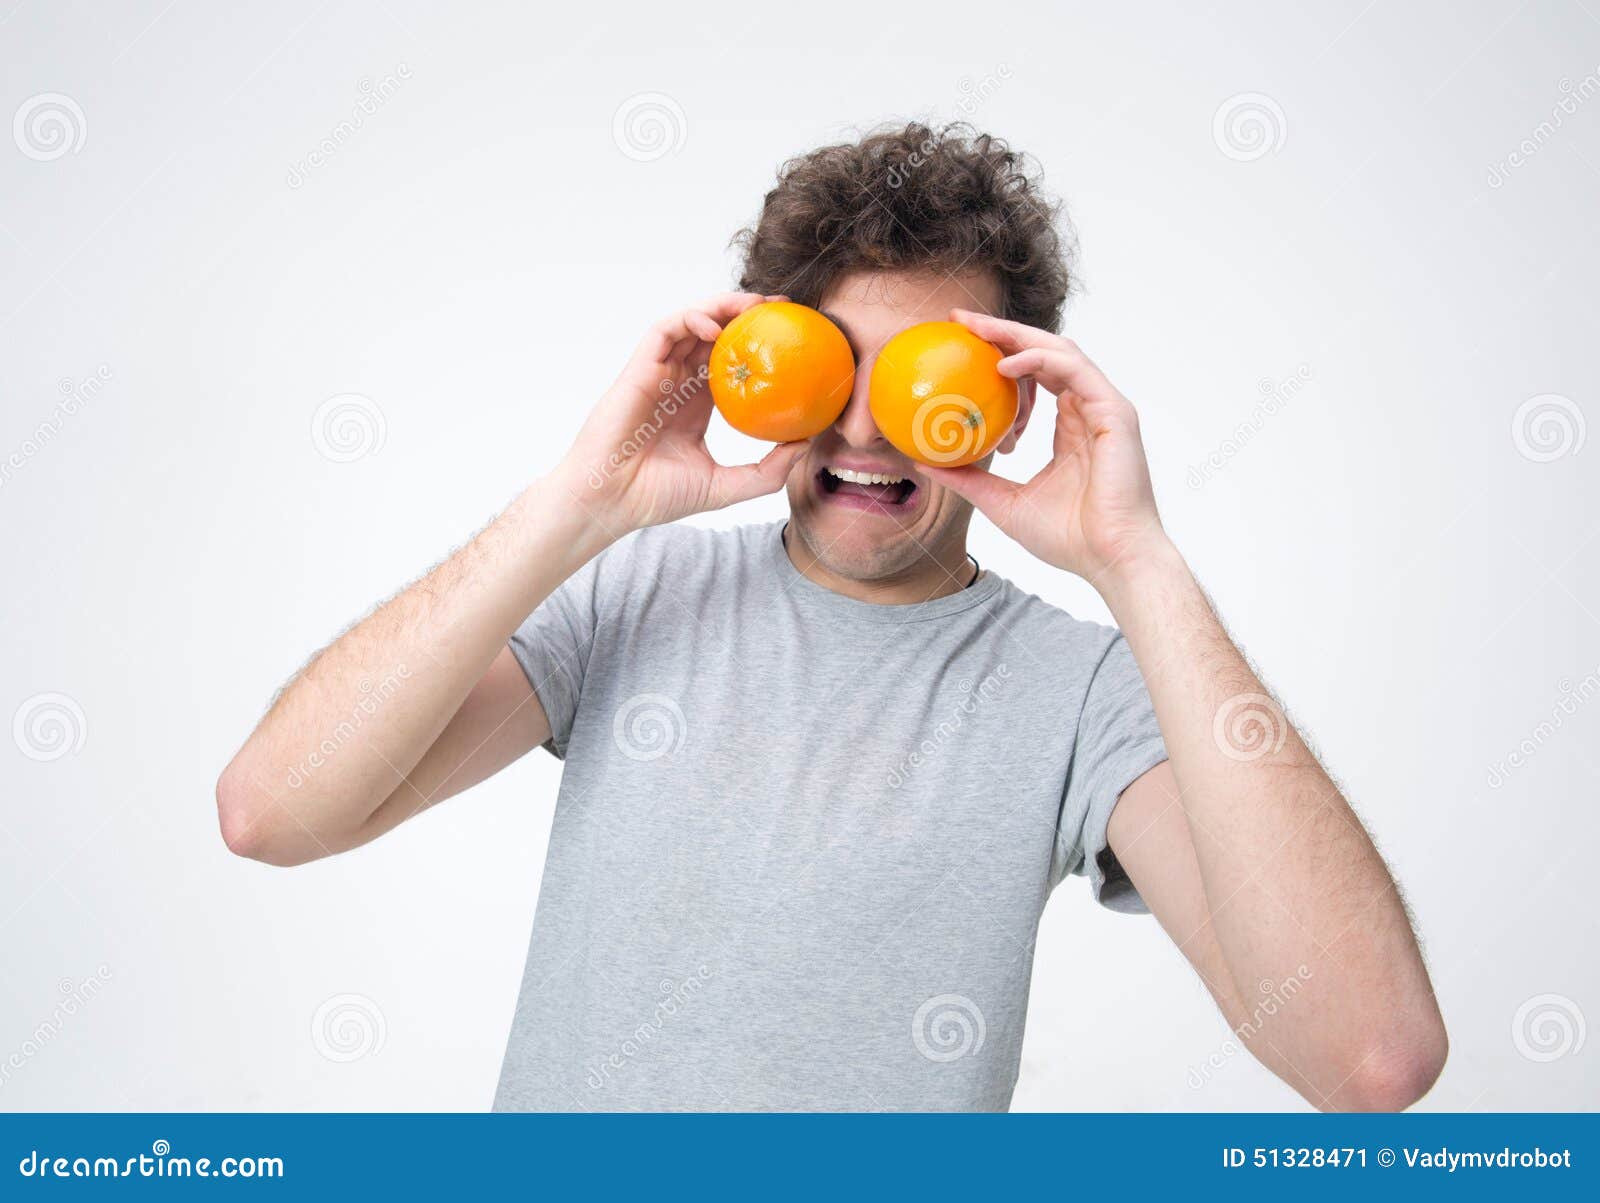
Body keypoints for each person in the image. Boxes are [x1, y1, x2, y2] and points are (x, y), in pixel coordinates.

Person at [216, 124, 1447, 1112]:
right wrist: (576, 506)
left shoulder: (1087, 695)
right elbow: (271, 813)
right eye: (829, 369)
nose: (861, 428)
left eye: (920, 381)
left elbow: (1368, 1065)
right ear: (759, 366)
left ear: (1012, 408)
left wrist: (1140, 562)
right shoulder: (633, 596)